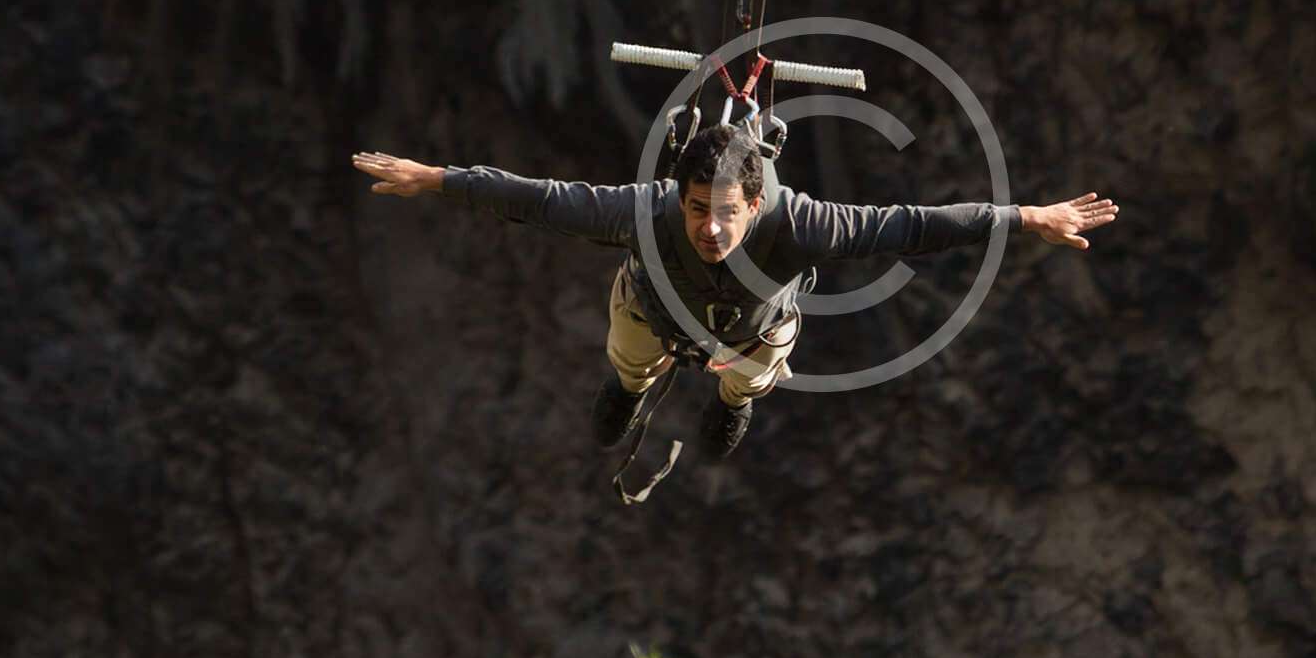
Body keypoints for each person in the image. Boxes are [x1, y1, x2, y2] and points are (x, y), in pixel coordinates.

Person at [352, 126, 1117, 461]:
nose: (711, 229)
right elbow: (544, 199)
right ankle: (629, 388)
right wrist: (436, 179)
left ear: (755, 205)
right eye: (696, 211)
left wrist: (1028, 217)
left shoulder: (803, 225)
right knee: (628, 349)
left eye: (725, 214)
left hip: (751, 331)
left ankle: (733, 403)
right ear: (678, 199)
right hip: (655, 310)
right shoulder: (645, 214)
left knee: (755, 367)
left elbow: (912, 224)